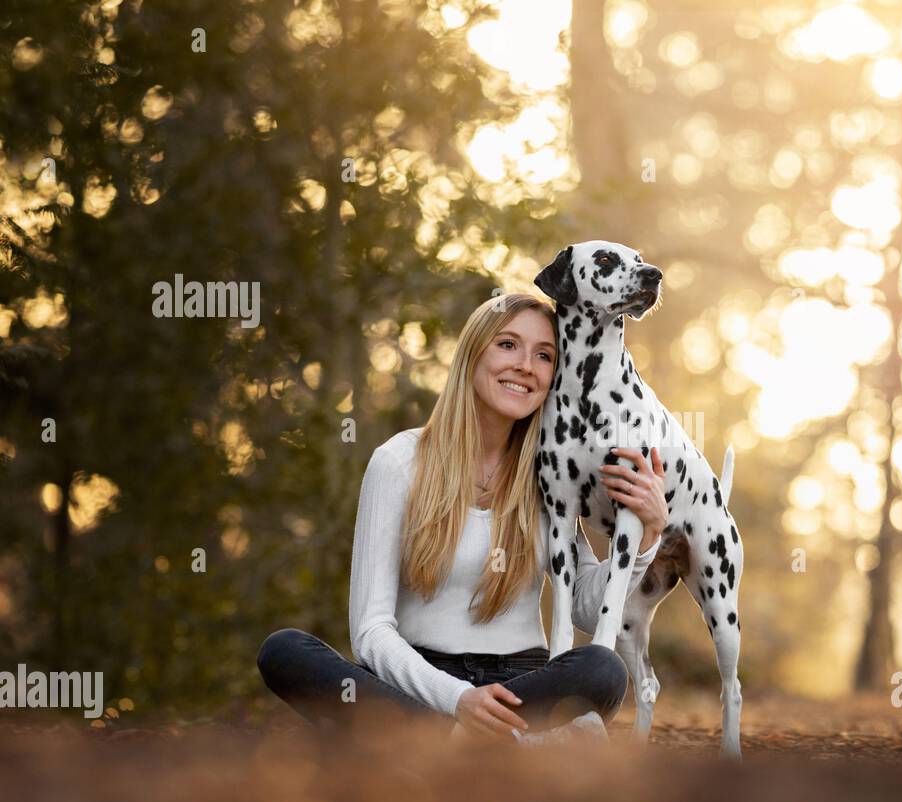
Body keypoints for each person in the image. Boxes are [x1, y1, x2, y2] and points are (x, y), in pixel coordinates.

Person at [257, 292, 670, 745]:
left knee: (601, 669)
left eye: (544, 355)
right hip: (420, 685)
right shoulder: (398, 461)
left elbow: (587, 609)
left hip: (525, 687)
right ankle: (488, 743)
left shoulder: (548, 474)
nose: (526, 366)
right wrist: (457, 701)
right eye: (507, 345)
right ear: (472, 355)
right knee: (285, 651)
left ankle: (433, 745)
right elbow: (371, 632)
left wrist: (647, 534)